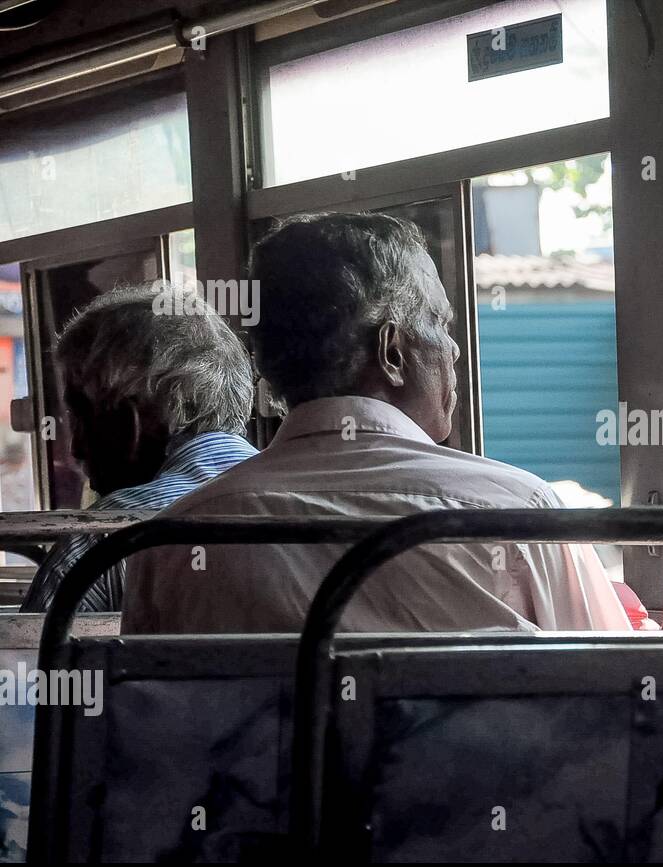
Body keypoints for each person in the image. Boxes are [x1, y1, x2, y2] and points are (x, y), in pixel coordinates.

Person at [121, 212, 629, 634]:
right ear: (390, 351)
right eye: (441, 325)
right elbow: (615, 700)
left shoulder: (168, 541)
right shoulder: (516, 513)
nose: (453, 350)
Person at [21, 285, 257, 612]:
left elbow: (35, 661)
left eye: (81, 418)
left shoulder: (101, 539)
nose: (75, 449)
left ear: (127, 423)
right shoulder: (309, 499)